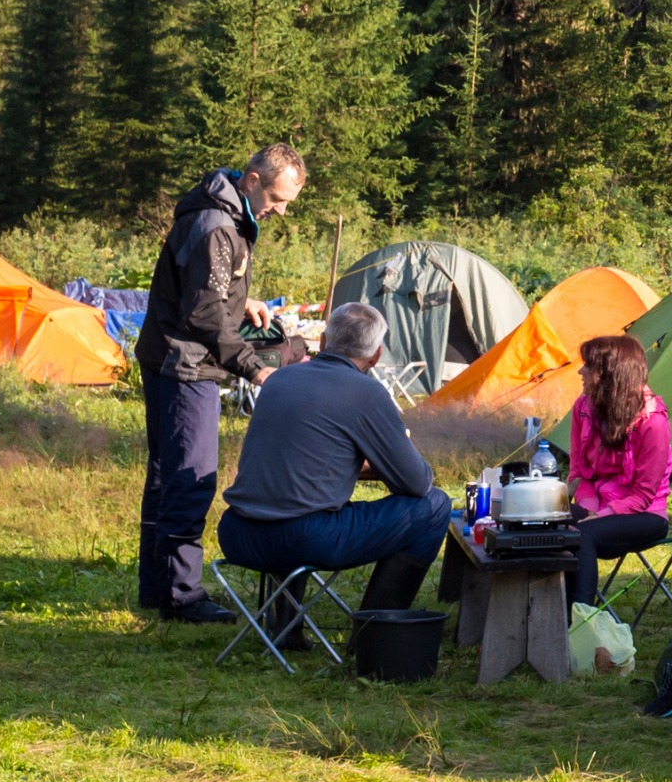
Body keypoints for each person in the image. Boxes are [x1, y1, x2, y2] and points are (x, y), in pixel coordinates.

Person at [135, 143, 307, 623]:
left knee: (166, 475)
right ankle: (182, 597)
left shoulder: (225, 210)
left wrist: (243, 303)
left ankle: (157, 589)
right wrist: (255, 368)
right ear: (252, 180)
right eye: (277, 198)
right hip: (184, 364)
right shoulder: (216, 224)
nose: (280, 210)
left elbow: (210, 289)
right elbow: (205, 314)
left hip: (170, 354)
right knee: (191, 478)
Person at [216, 300, 453, 615]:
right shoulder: (366, 393)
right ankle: (374, 633)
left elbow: (300, 464)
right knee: (435, 505)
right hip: (305, 538)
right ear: (376, 355)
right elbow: (418, 483)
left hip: (238, 532)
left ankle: (287, 629)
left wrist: (352, 463)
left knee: (296, 505)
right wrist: (379, 460)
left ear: (324, 341)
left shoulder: (279, 380)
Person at [567, 334, 671, 610]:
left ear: (610, 376)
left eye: (589, 367)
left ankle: (580, 623)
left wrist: (599, 516)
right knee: (551, 523)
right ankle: (547, 615)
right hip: (596, 506)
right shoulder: (583, 409)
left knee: (582, 535)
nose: (581, 372)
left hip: (644, 513)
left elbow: (643, 494)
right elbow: (579, 473)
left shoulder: (652, 423)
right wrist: (589, 508)